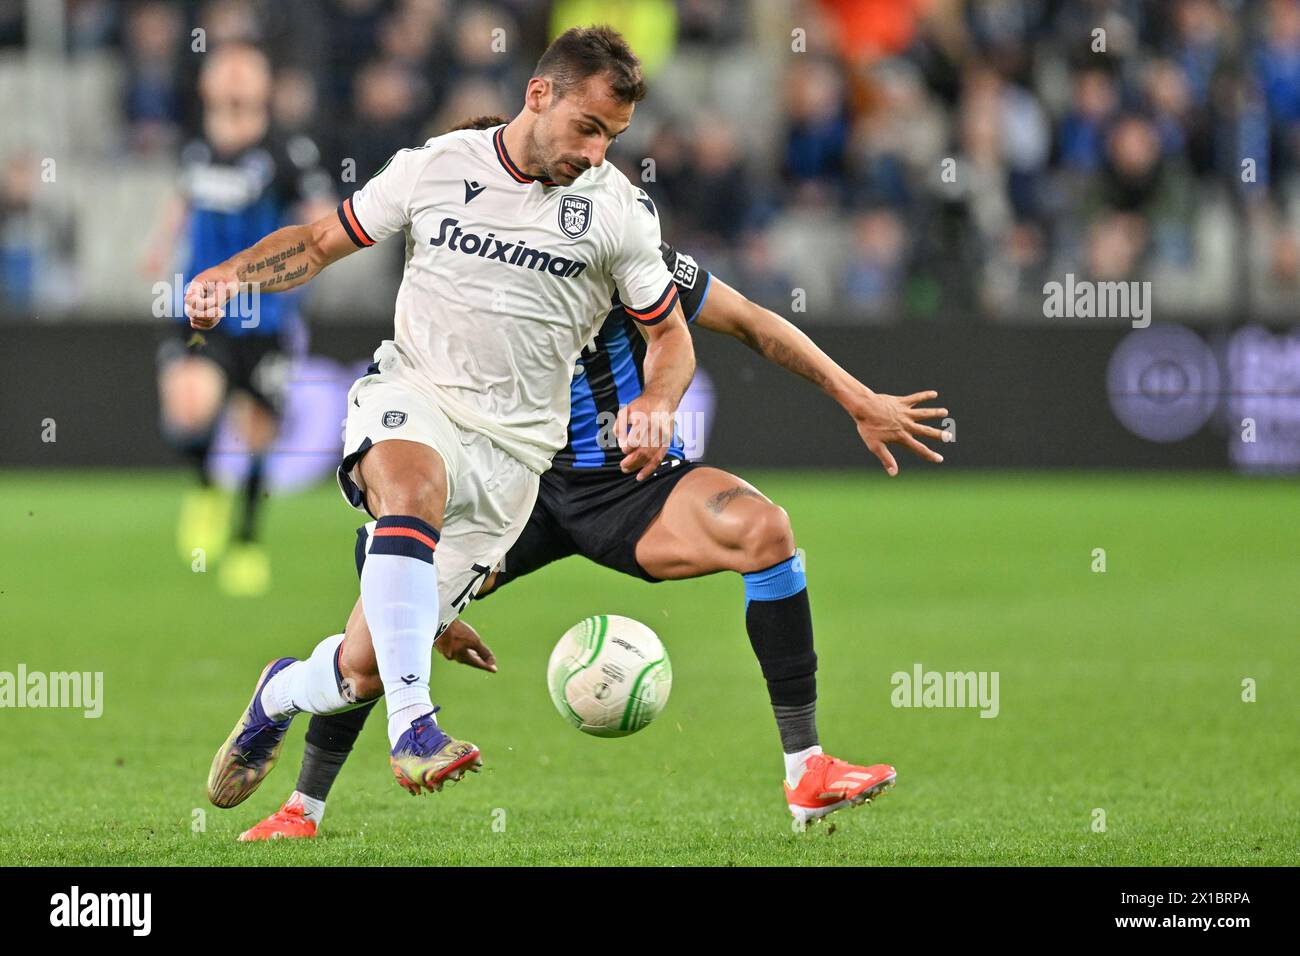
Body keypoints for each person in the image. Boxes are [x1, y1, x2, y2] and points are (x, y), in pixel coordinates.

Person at [235, 120, 950, 839]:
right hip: (507, 477)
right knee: (382, 640)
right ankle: (304, 807)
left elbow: (753, 323)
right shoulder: (468, 267)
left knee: (765, 530)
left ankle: (808, 772)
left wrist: (858, 399)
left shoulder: (618, 245)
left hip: (619, 485)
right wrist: (437, 616)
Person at [189, 27, 695, 808]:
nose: (597, 153)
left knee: (357, 669)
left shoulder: (618, 213)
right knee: (413, 486)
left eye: (614, 137)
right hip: (414, 392)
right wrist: (233, 274)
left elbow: (669, 336)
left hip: (515, 460)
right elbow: (321, 241)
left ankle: (279, 695)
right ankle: (416, 727)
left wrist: (657, 402)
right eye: (588, 128)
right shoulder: (436, 167)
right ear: (540, 96)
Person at [150, 42, 331, 596]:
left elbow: (320, 222)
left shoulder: (284, 153)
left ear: (263, 87)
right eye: (221, 68)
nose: (230, 77)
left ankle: (248, 542)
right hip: (203, 308)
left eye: (242, 70)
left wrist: (301, 256)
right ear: (206, 85)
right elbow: (184, 200)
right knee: (187, 404)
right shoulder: (198, 148)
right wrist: (160, 247)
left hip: (265, 314)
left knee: (257, 430)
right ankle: (206, 485)